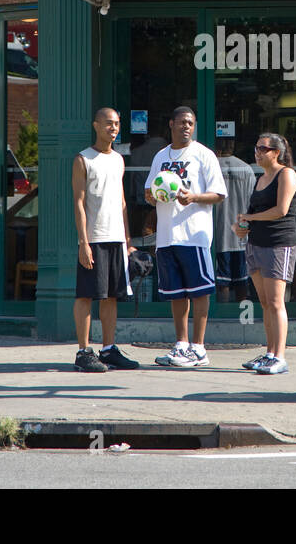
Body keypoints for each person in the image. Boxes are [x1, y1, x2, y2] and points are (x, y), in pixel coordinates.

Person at [144, 106, 227, 367]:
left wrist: (193, 197)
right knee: (176, 293)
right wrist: (151, 195)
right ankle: (181, 345)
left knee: (199, 291)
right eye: (181, 122)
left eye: (190, 123)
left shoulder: (204, 155)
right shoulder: (161, 156)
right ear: (171, 124)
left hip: (193, 235)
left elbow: (219, 194)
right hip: (167, 236)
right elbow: (149, 189)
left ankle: (199, 348)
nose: (186, 127)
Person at [72, 107, 140, 372]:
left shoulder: (119, 159)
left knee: (111, 295)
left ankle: (109, 349)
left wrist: (128, 239)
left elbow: (122, 201)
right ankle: (83, 352)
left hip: (116, 239)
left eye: (117, 124)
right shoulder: (83, 159)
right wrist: (83, 242)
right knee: (87, 295)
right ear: (96, 125)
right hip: (94, 238)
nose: (113, 128)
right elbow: (78, 202)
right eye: (108, 123)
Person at [237, 133, 296, 375]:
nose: (258, 152)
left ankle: (280, 357)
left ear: (276, 152)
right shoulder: (260, 178)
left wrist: (250, 218)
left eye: (263, 148)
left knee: (276, 302)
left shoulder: (287, 174)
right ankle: (270, 353)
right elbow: (253, 212)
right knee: (264, 303)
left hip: (279, 244)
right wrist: (241, 225)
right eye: (256, 147)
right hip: (256, 243)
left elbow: (281, 210)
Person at [213, 137, 255, 304]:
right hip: (241, 231)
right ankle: (241, 316)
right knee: (241, 279)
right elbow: (254, 201)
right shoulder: (245, 168)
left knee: (221, 279)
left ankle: (221, 313)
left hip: (217, 231)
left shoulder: (210, 168)